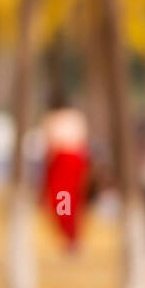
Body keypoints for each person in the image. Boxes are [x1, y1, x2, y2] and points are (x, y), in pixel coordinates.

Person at [40, 91, 90, 253]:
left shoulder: (56, 119)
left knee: (65, 199)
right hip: (70, 163)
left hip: (65, 163)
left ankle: (71, 236)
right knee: (66, 200)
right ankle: (69, 236)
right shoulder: (74, 118)